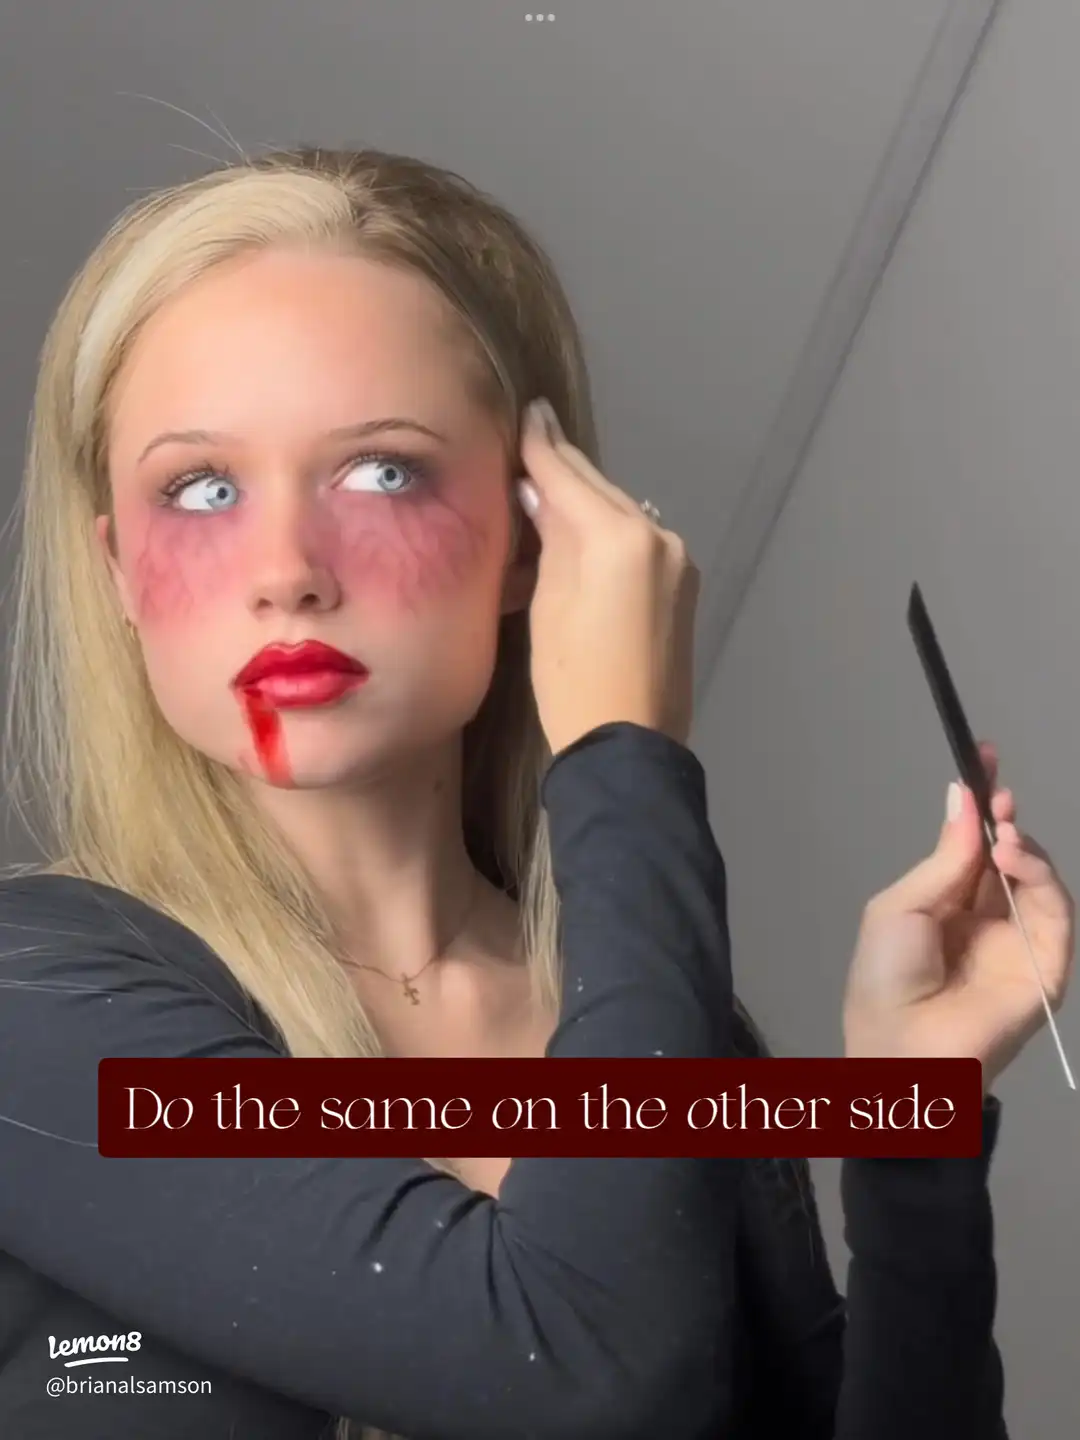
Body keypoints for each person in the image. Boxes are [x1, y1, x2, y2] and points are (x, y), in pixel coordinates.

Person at [0, 147, 1071, 1440]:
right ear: (118, 568)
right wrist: (625, 750)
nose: (285, 569)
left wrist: (912, 1115)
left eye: (381, 470)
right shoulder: (36, 1005)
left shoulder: (650, 1011)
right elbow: (585, 1367)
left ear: (534, 538)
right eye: (203, 489)